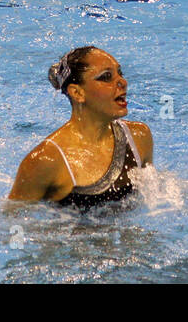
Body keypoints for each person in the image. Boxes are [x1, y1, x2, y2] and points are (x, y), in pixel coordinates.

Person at [9, 47, 153, 208]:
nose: (122, 82)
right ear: (77, 93)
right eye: (106, 77)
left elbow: (151, 199)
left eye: (121, 73)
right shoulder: (46, 160)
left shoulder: (138, 137)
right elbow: (11, 221)